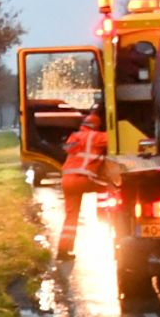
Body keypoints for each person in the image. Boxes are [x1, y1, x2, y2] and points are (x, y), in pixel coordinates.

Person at [58, 106, 107, 258]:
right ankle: (103, 213)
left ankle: (63, 250)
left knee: (71, 216)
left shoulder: (74, 137)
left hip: (67, 181)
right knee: (111, 188)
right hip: (84, 179)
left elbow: (67, 148)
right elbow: (115, 137)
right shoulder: (97, 137)